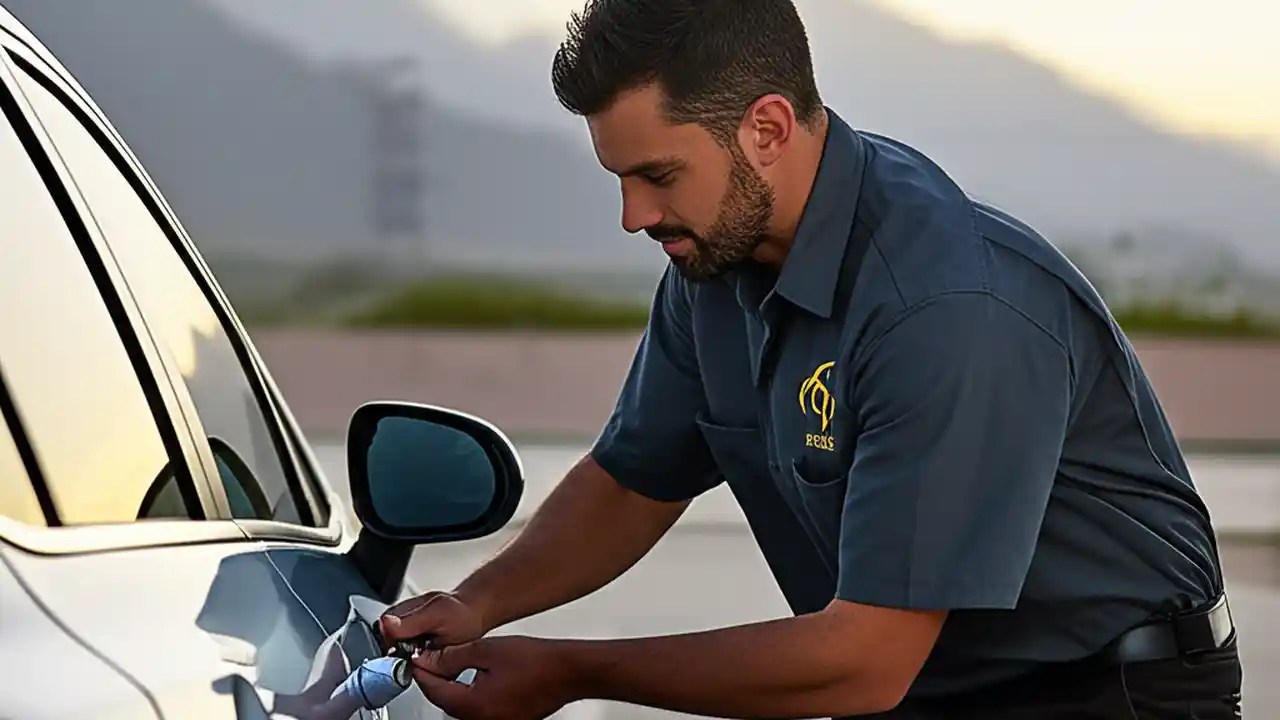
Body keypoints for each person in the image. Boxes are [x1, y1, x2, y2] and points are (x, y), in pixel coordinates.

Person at [380, 0, 1244, 717]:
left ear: (766, 128)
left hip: (1112, 692)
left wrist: (577, 671)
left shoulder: (943, 307)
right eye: (619, 179)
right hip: (926, 686)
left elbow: (863, 661)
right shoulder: (715, 260)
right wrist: (480, 603)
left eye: (657, 175)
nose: (633, 216)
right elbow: (634, 479)